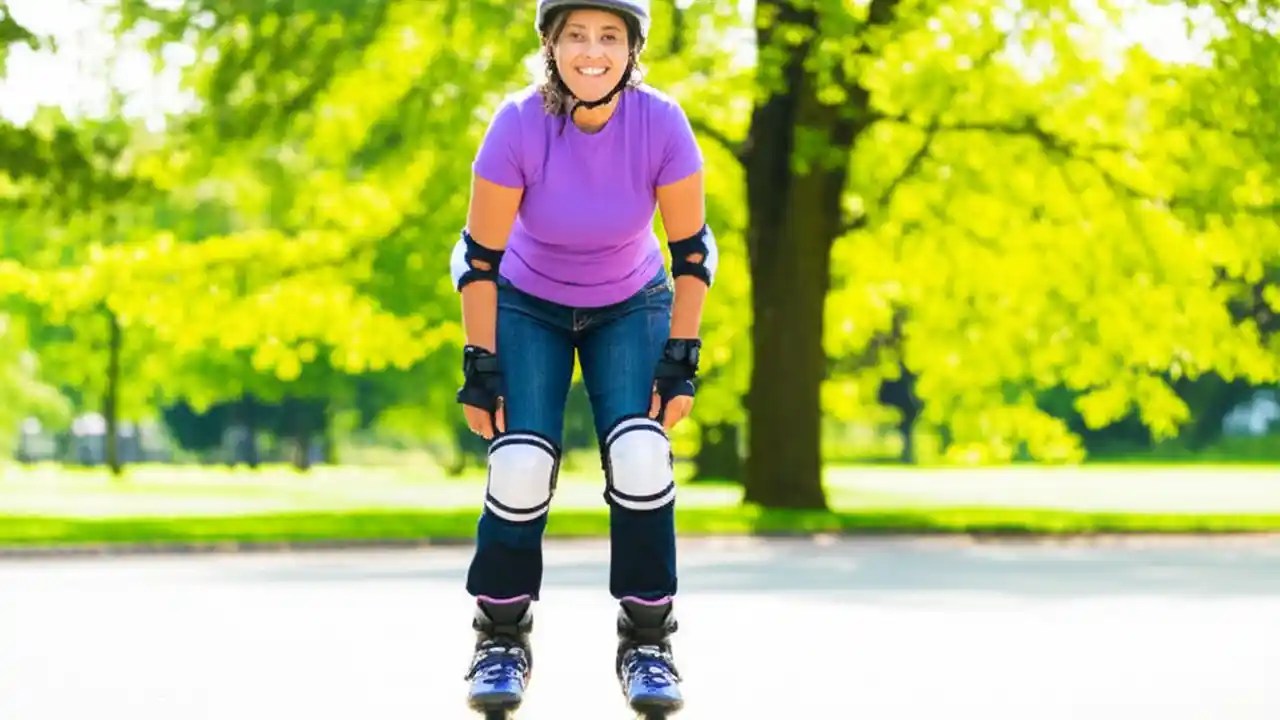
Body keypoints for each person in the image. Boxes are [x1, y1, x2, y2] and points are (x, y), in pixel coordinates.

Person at [449, 0, 716, 715]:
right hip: (525, 301)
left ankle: (648, 641)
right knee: (519, 462)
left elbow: (692, 253)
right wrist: (480, 363)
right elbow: (479, 259)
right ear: (550, 45)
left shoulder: (661, 123)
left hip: (631, 301)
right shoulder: (517, 124)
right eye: (575, 35)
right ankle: (500, 636)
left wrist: (682, 355)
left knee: (640, 454)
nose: (591, 52)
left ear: (632, 50)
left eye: (609, 36)